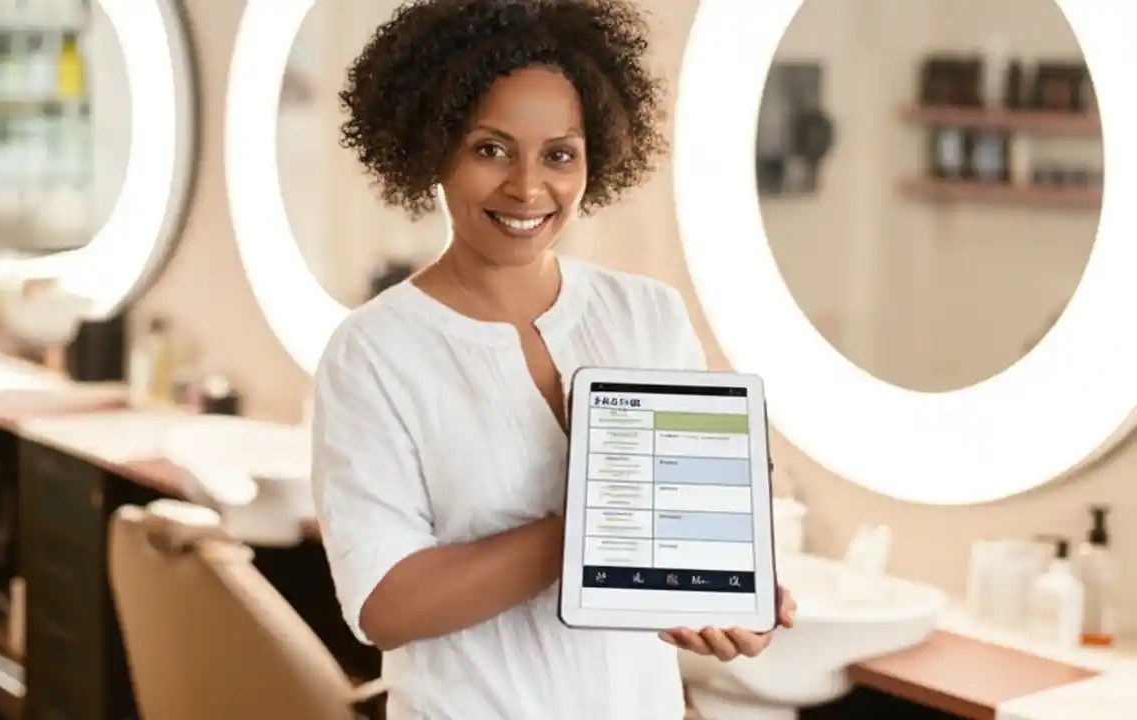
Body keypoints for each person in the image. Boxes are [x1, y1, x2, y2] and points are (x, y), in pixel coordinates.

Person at [311, 1, 797, 717]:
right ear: (432, 146)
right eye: (490, 148)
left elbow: (690, 520)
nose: (528, 187)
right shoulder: (375, 353)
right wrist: (601, 528)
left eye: (559, 154)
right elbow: (386, 605)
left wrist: (732, 581)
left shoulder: (648, 317)